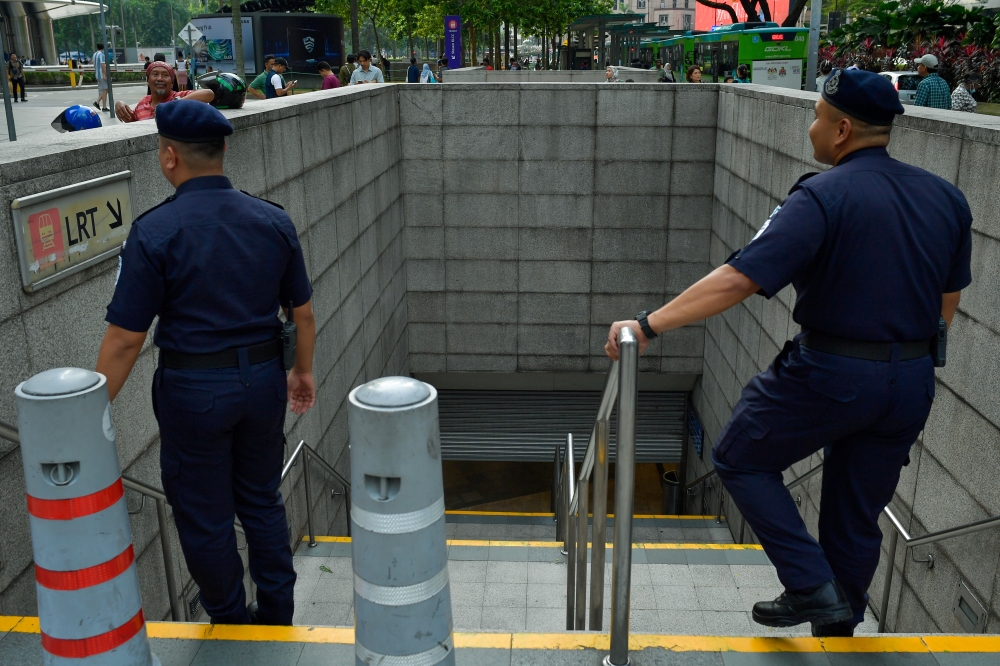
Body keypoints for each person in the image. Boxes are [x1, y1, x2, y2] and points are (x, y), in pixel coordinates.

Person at [604, 68, 971, 638]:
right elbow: (948, 301)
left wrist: (649, 325)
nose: (811, 130)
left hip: (832, 371)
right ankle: (837, 630)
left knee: (741, 456)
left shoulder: (822, 196)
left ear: (843, 130)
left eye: (818, 119)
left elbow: (739, 278)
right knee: (855, 517)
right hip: (913, 380)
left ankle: (807, 583)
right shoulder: (946, 198)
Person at [96, 99, 317, 626]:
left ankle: (230, 622)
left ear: (170, 157)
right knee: (262, 500)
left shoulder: (155, 232)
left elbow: (127, 339)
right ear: (220, 151)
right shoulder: (272, 220)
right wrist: (301, 372)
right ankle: (278, 614)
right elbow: (302, 314)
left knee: (204, 515)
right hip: (262, 381)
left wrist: (86, 409)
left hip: (194, 390)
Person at [115, 61, 213, 122]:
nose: (160, 78)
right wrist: (120, 104)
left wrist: (174, 105)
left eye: (165, 75)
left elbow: (208, 94)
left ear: (171, 83)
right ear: (148, 81)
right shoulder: (143, 103)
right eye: (155, 74)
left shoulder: (179, 97)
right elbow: (132, 121)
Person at [93, 43, 109, 112]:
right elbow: (103, 65)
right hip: (101, 75)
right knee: (105, 90)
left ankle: (97, 102)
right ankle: (103, 106)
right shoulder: (102, 55)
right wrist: (106, 74)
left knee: (105, 89)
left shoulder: (94, 54)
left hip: (97, 74)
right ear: (103, 47)